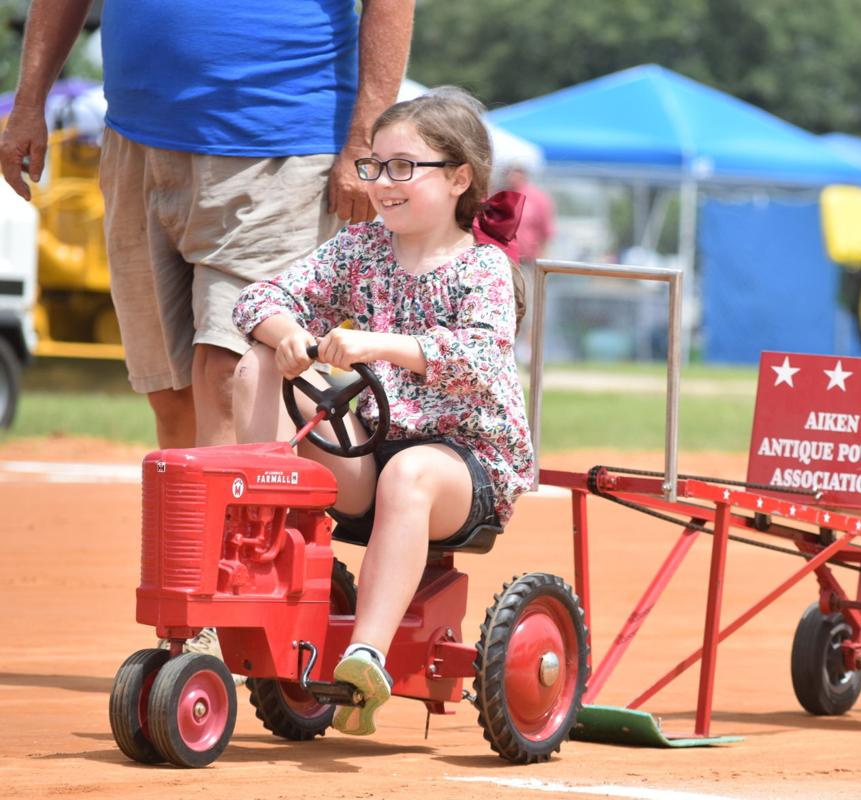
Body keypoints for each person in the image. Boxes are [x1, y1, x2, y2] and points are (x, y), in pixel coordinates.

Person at [231, 87, 535, 736]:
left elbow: (480, 358)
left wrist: (378, 344)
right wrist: (287, 333)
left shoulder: (482, 266)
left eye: (402, 167)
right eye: (373, 166)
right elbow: (259, 297)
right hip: (371, 448)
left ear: (458, 179)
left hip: (464, 463)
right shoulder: (361, 249)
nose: (381, 183)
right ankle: (261, 549)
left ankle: (365, 657)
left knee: (410, 474)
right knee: (258, 363)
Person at [0, 0, 414, 449]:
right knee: (170, 391)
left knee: (234, 374)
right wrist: (28, 102)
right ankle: (201, 501)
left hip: (279, 143)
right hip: (134, 140)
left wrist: (364, 143)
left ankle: (262, 499)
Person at [500, 161, 556, 262]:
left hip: (527, 260)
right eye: (509, 172)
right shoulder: (499, 196)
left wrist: (541, 260)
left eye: (516, 172)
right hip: (503, 258)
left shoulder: (538, 198)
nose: (512, 176)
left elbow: (546, 232)